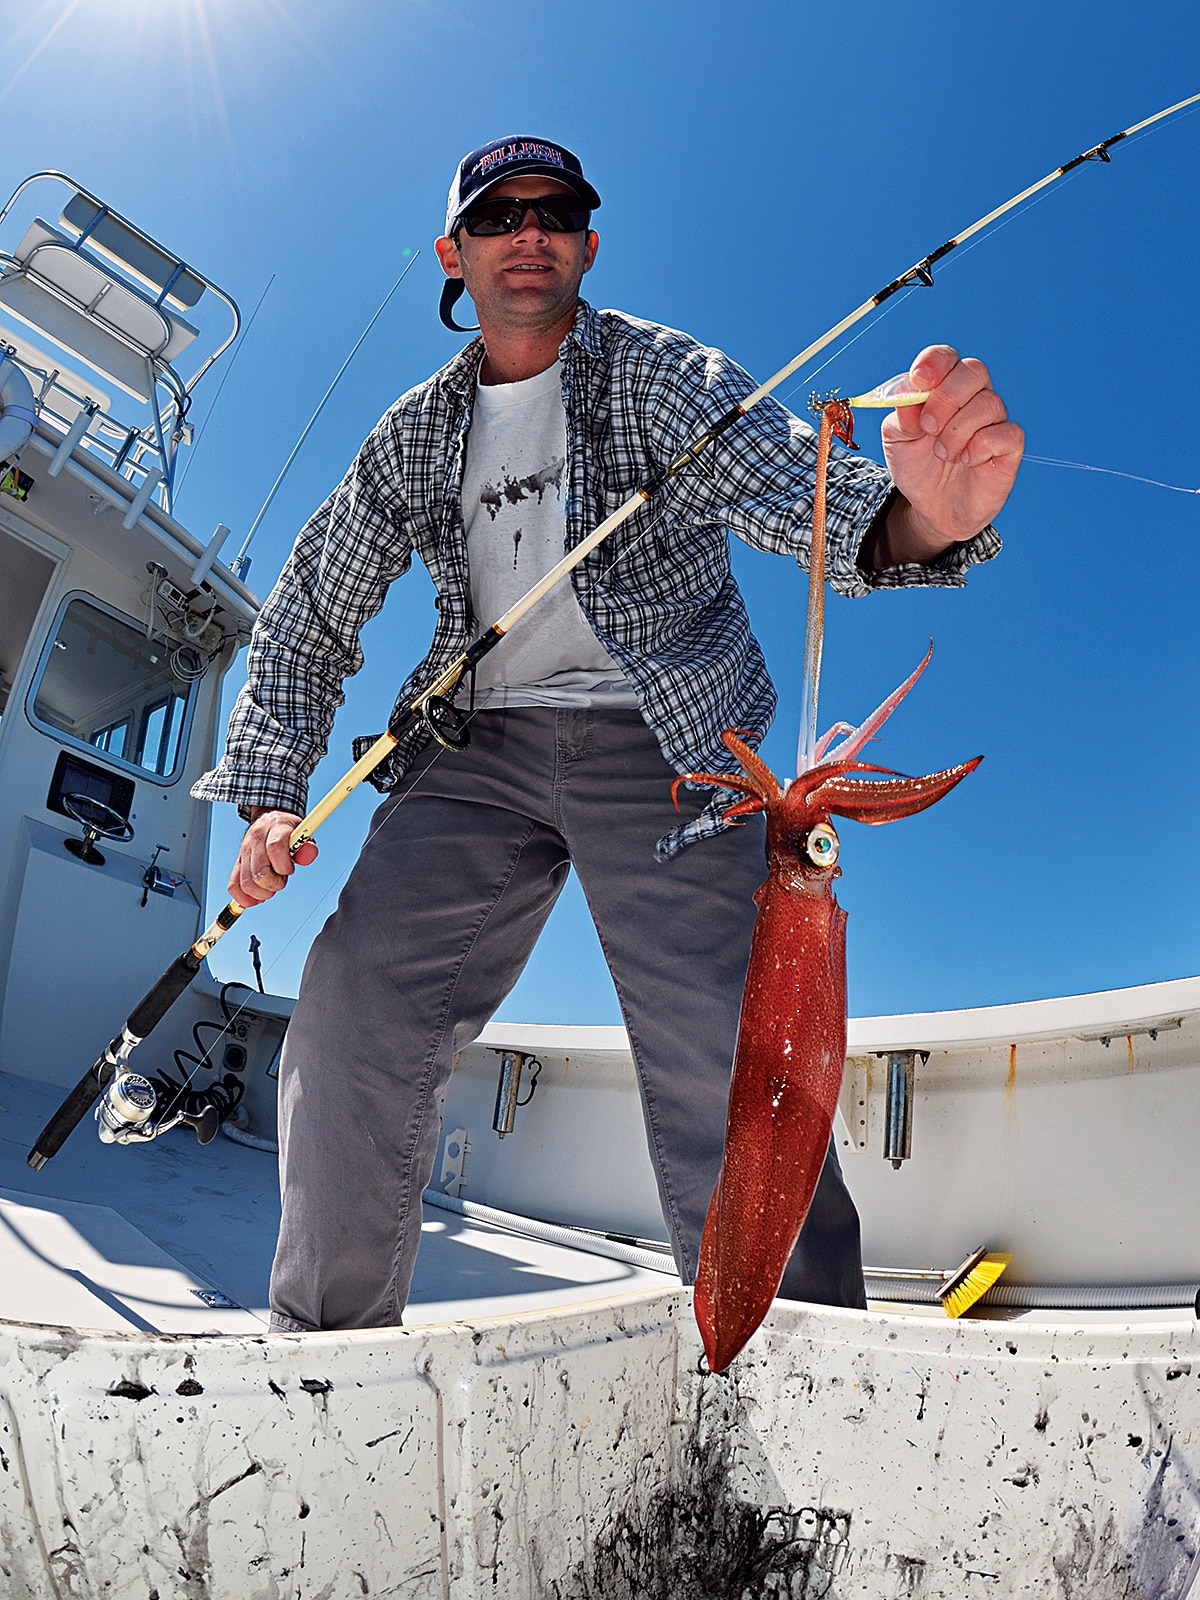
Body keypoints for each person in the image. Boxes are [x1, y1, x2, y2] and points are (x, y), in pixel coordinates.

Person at [194, 137, 1023, 1334]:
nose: (528, 230)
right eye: (498, 214)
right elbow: (312, 607)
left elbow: (788, 485)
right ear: (456, 254)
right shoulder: (411, 437)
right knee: (350, 999)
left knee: (730, 1054)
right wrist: (271, 790)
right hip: (476, 749)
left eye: (556, 210)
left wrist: (914, 521)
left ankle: (803, 1360)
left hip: (667, 744)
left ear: (587, 243)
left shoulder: (660, 377)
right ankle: (322, 1353)